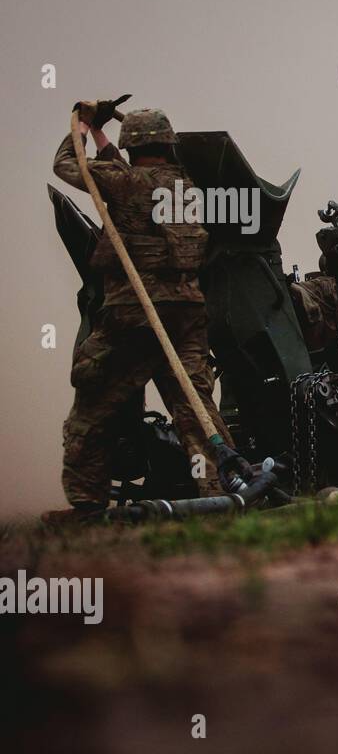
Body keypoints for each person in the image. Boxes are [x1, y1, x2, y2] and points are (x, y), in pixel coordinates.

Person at [49, 102, 233, 518]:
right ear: (167, 143)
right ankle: (223, 490)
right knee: (194, 408)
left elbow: (66, 165)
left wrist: (80, 125)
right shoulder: (185, 184)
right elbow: (123, 175)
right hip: (186, 313)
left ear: (131, 147)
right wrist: (101, 134)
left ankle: (86, 501)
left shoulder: (125, 182)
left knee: (93, 403)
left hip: (134, 315)